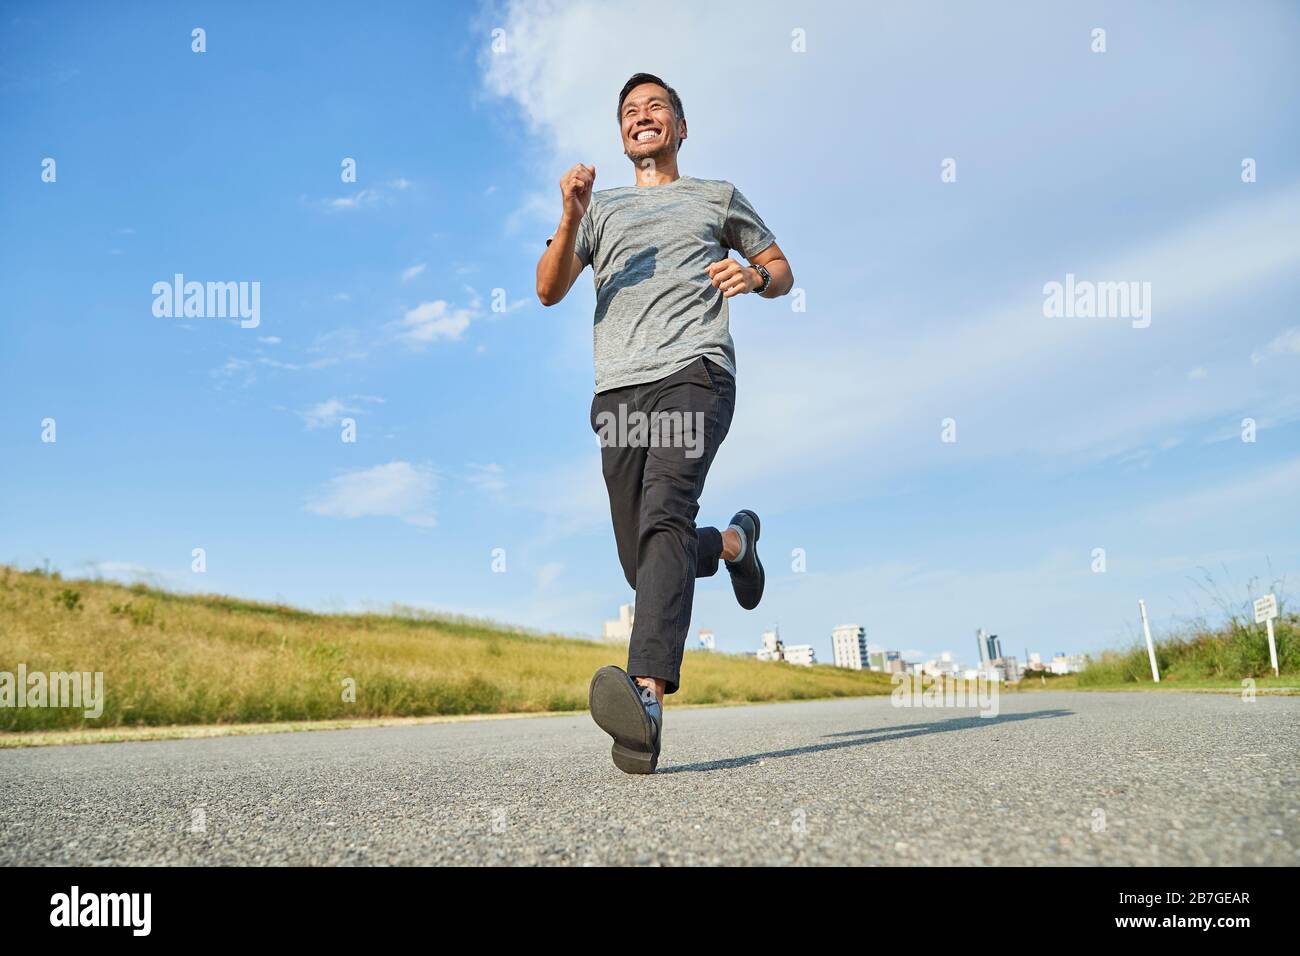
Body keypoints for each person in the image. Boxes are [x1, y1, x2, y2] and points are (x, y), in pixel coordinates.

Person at [535, 72, 793, 774]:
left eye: (655, 108)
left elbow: (780, 266)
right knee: (644, 559)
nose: (641, 117)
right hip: (618, 394)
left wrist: (755, 278)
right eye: (629, 112)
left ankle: (645, 702)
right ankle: (736, 545)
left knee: (664, 518)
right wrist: (569, 215)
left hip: (694, 374)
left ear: (679, 128)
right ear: (624, 136)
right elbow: (548, 289)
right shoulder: (600, 208)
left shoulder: (716, 197)